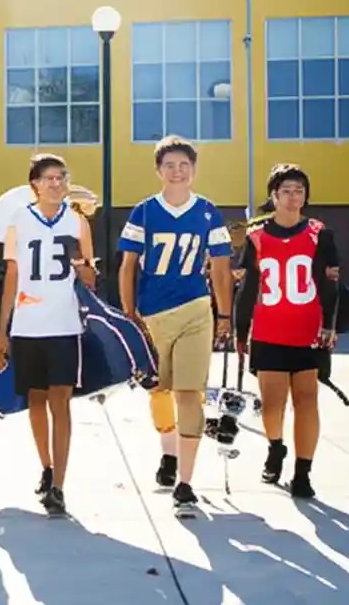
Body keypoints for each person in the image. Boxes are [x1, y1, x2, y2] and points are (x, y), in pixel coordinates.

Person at [117, 136, 234, 518]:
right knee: (159, 390)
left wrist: (224, 316)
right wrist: (129, 312)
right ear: (158, 170)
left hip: (196, 309)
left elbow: (219, 267)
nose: (177, 171)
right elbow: (128, 265)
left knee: (190, 392)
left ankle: (185, 482)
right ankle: (168, 451)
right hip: (152, 313)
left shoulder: (207, 212)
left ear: (194, 168)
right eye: (170, 164)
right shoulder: (145, 212)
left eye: (184, 164)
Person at [0, 154, 98, 517]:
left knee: (61, 403)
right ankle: (47, 465)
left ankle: (59, 487)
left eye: (61, 177)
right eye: (48, 178)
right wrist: (2, 331)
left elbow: (90, 278)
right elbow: (12, 276)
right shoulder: (19, 221)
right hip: (27, 324)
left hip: (65, 324)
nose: (55, 184)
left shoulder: (78, 221)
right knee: (35, 401)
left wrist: (80, 261)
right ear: (34, 184)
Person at [234, 164, 339, 499]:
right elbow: (249, 287)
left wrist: (330, 325)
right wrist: (240, 329)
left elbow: (331, 284)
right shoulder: (257, 236)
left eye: (299, 191)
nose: (294, 197)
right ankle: (276, 447)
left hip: (309, 330)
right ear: (273, 196)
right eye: (287, 191)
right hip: (268, 330)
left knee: (307, 399)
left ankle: (303, 472)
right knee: (272, 404)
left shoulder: (321, 234)